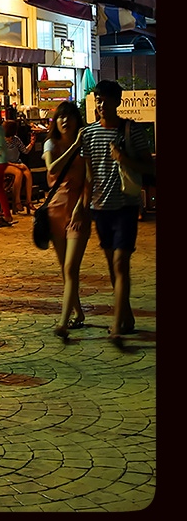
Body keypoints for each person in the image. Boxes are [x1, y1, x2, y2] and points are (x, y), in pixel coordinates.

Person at [81, 80, 154, 348]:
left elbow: (150, 166)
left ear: (117, 102)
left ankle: (116, 326)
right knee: (113, 265)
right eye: (97, 100)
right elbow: (88, 174)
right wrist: (83, 206)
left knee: (122, 262)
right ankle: (127, 314)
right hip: (100, 208)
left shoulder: (130, 130)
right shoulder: (88, 134)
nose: (101, 105)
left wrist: (125, 159)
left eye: (105, 100)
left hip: (125, 206)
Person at [42, 101, 91, 340]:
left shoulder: (86, 148)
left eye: (69, 117)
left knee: (71, 267)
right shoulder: (51, 144)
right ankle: (79, 313)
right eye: (61, 117)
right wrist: (74, 146)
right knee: (65, 269)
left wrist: (82, 206)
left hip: (78, 211)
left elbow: (89, 180)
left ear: (76, 121)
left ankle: (63, 322)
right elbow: (52, 169)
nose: (65, 121)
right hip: (55, 211)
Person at [3, 120, 35, 214]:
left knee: (27, 173)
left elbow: (25, 151)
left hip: (17, 162)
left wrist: (32, 143)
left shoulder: (15, 139)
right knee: (18, 172)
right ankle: (17, 201)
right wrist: (16, 165)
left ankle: (29, 201)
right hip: (5, 164)